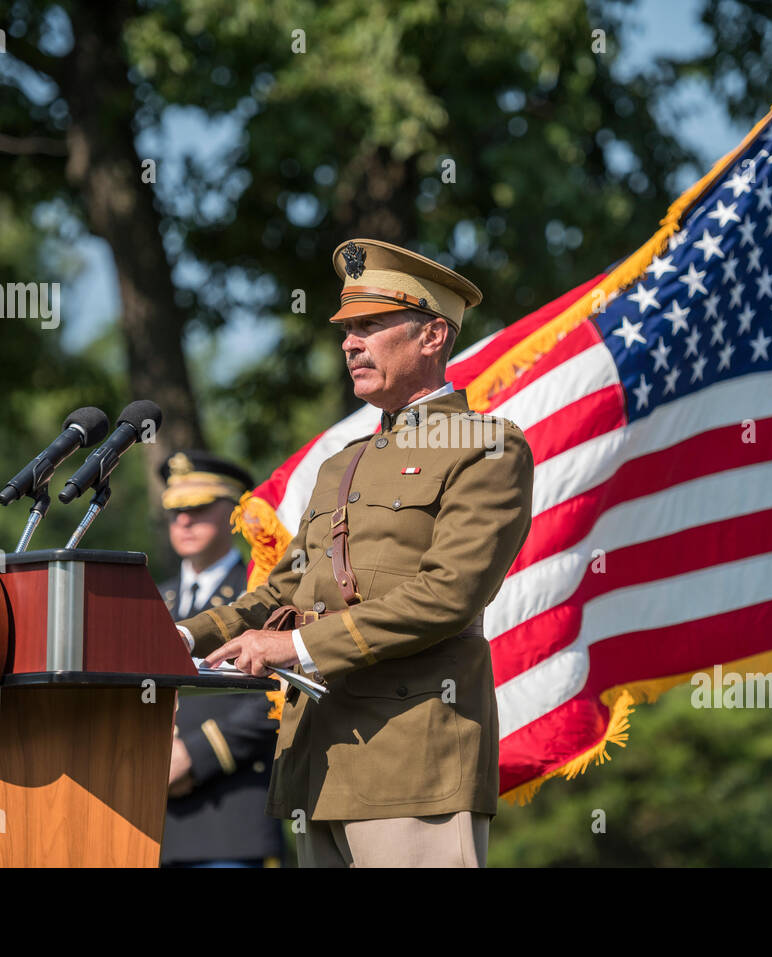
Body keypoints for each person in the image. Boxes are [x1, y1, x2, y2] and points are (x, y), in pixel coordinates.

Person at [176, 238, 534, 867]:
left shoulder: (486, 446)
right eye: (347, 328)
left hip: (413, 761)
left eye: (370, 325)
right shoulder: (341, 463)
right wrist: (182, 636)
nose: (349, 342)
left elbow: (448, 595)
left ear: (433, 337)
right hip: (317, 763)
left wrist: (297, 646)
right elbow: (286, 588)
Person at [156, 450, 284, 868]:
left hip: (231, 824)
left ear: (233, 511)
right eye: (176, 511)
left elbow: (280, 698)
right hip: (151, 824)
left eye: (197, 508)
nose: (184, 521)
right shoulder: (151, 600)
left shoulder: (261, 593)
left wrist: (195, 754)